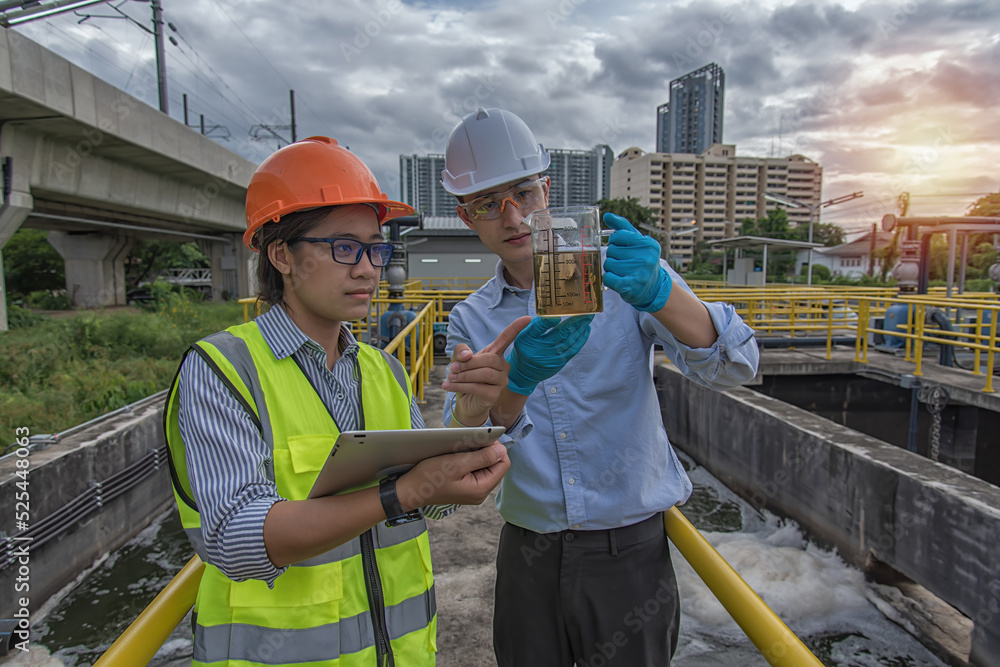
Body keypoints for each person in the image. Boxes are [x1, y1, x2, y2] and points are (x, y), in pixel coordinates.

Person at [164, 136, 523, 667]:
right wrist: (398, 493)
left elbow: (430, 502)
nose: (368, 269)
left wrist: (471, 417)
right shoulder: (224, 371)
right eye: (344, 248)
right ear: (281, 254)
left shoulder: (385, 371)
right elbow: (235, 540)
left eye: (376, 249)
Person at [439, 108, 760, 667]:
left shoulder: (619, 275)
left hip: (631, 550)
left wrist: (662, 291)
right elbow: (460, 448)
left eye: (522, 192)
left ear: (547, 187)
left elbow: (737, 366)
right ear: (468, 218)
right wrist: (508, 388)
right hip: (528, 552)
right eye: (488, 203)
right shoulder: (472, 319)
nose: (513, 216)